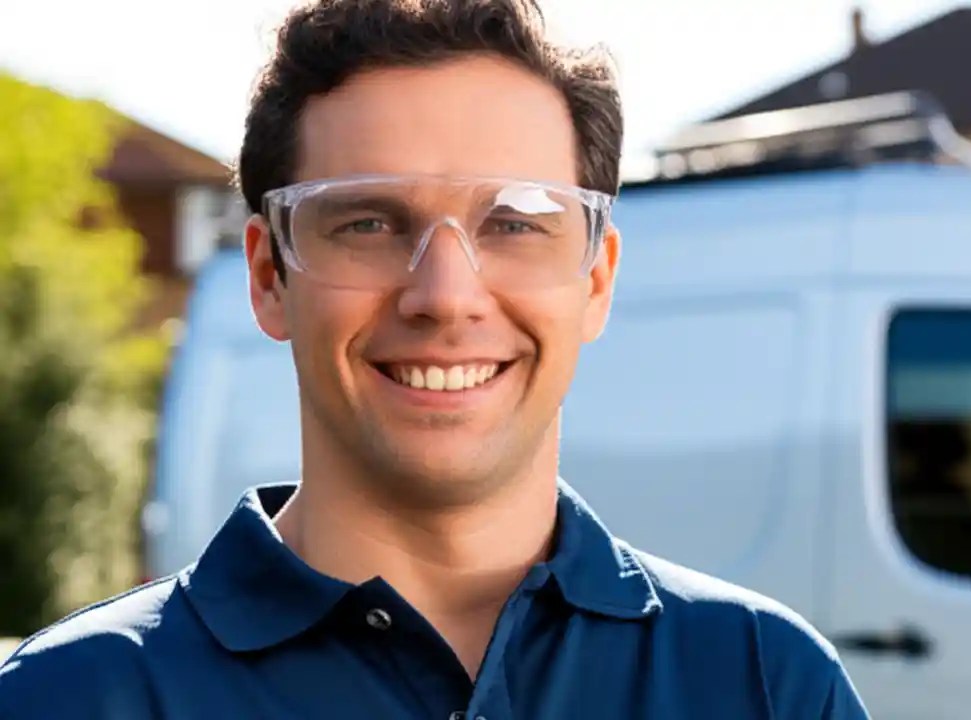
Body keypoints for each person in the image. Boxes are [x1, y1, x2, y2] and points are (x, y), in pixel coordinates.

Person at [0, 1, 871, 717]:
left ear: (597, 280)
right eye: (368, 223)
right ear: (268, 275)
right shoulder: (69, 699)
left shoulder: (766, 684)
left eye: (515, 223)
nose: (445, 294)